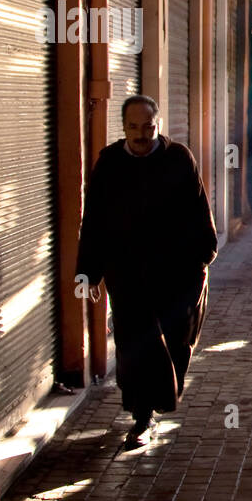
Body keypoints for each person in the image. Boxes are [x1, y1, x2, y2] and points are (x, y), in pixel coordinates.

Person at [77, 95, 218, 450]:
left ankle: (158, 399)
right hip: (126, 272)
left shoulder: (178, 159)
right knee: (136, 344)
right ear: (124, 127)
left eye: (148, 127)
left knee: (176, 340)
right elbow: (93, 220)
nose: (141, 135)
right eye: (133, 127)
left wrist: (204, 254)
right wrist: (88, 272)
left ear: (158, 125)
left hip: (178, 271)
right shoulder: (109, 163)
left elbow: (199, 208)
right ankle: (141, 416)